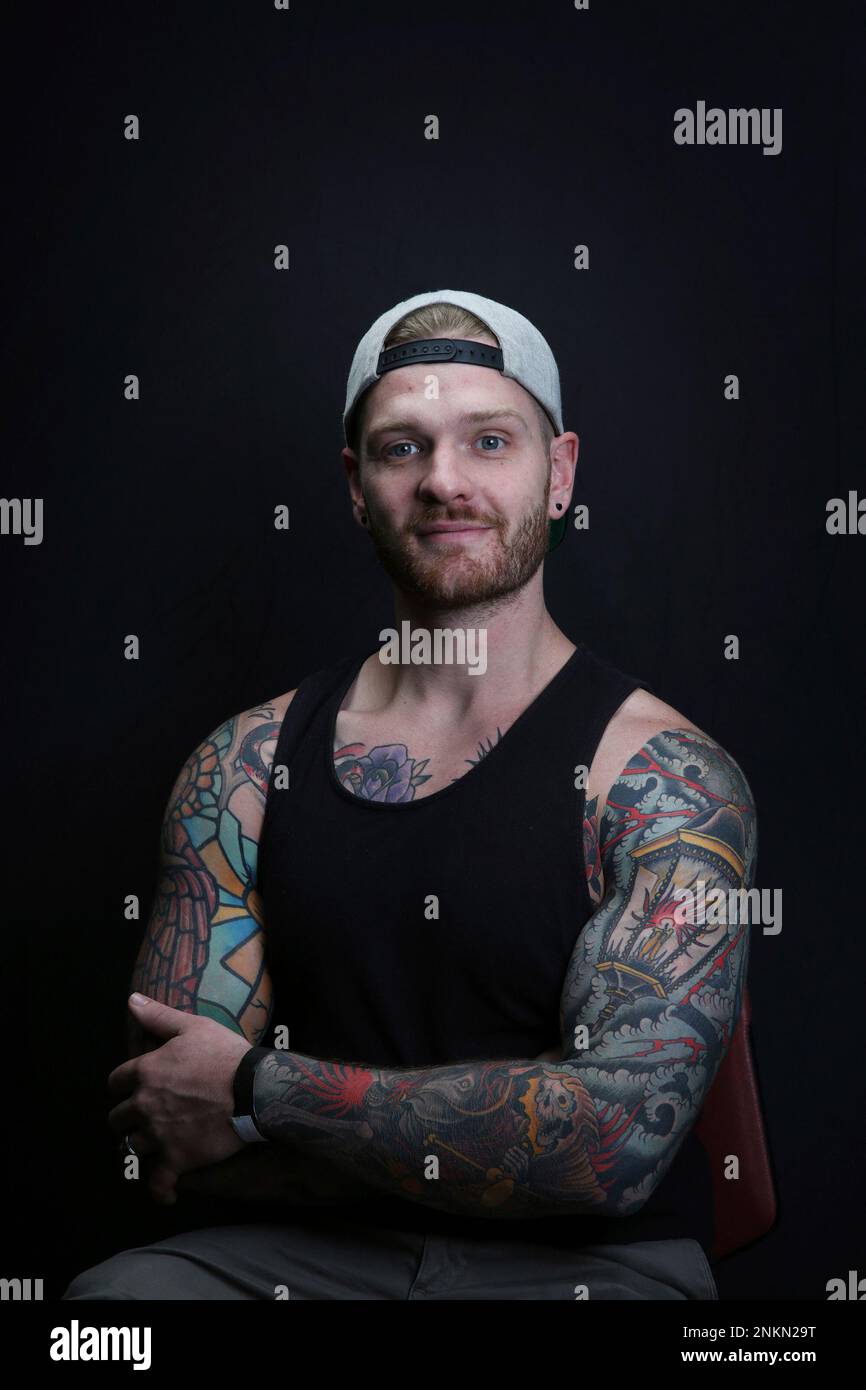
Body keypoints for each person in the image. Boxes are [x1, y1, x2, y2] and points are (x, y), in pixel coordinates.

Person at [63, 290, 756, 1301]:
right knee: (113, 1311)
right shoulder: (244, 767)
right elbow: (174, 1129)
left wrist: (263, 1090)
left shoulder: (664, 778)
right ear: (354, 484)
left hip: (586, 1271)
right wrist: (496, 1125)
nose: (443, 481)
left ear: (558, 473)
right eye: (401, 449)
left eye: (487, 440)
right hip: (299, 1258)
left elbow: (609, 1146)